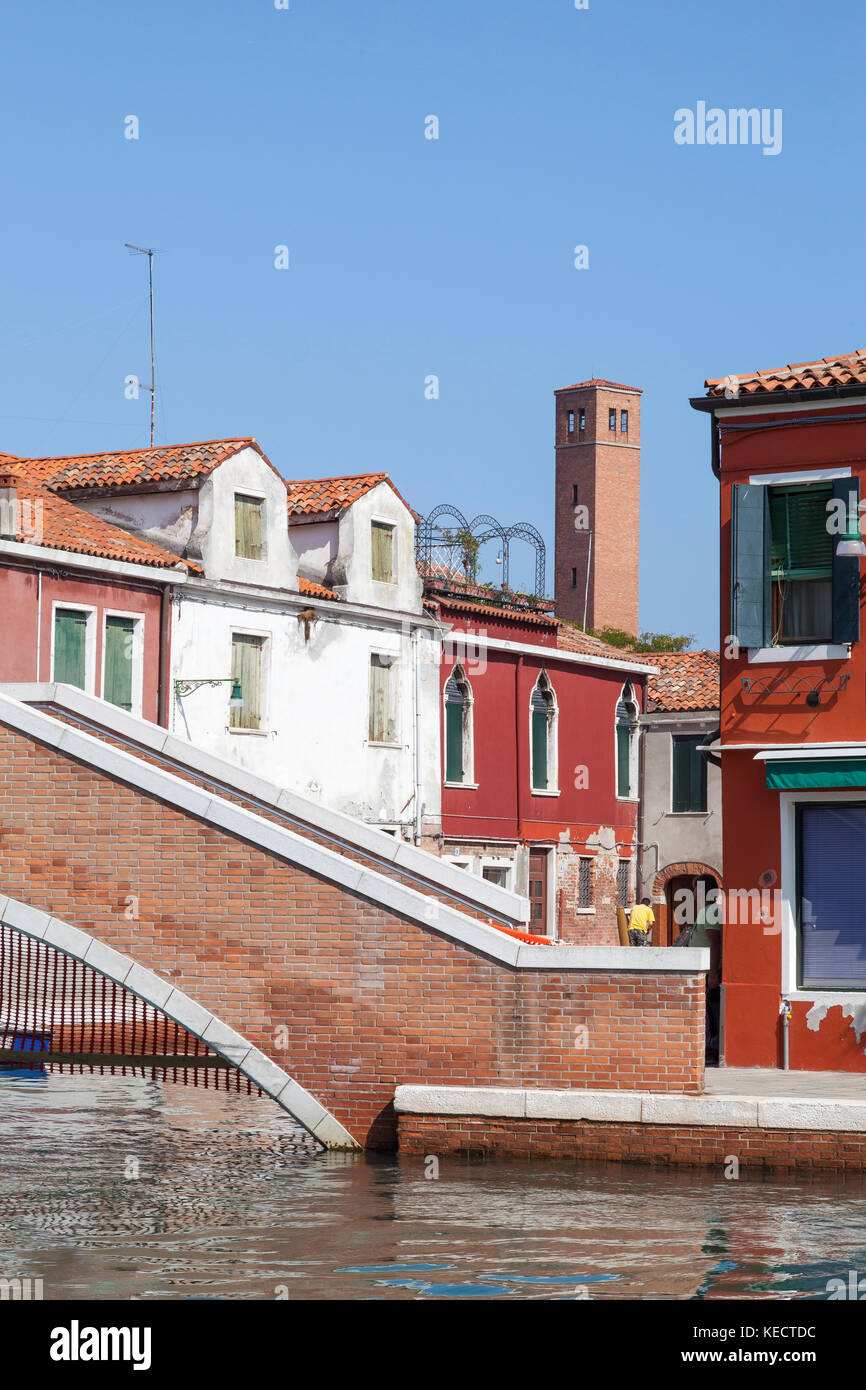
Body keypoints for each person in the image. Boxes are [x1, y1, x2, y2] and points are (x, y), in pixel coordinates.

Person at [691, 880, 722, 1063]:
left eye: (695, 888)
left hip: (709, 972)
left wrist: (713, 973)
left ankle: (711, 1049)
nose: (693, 892)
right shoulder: (709, 911)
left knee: (710, 1012)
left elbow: (715, 944)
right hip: (706, 971)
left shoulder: (710, 912)